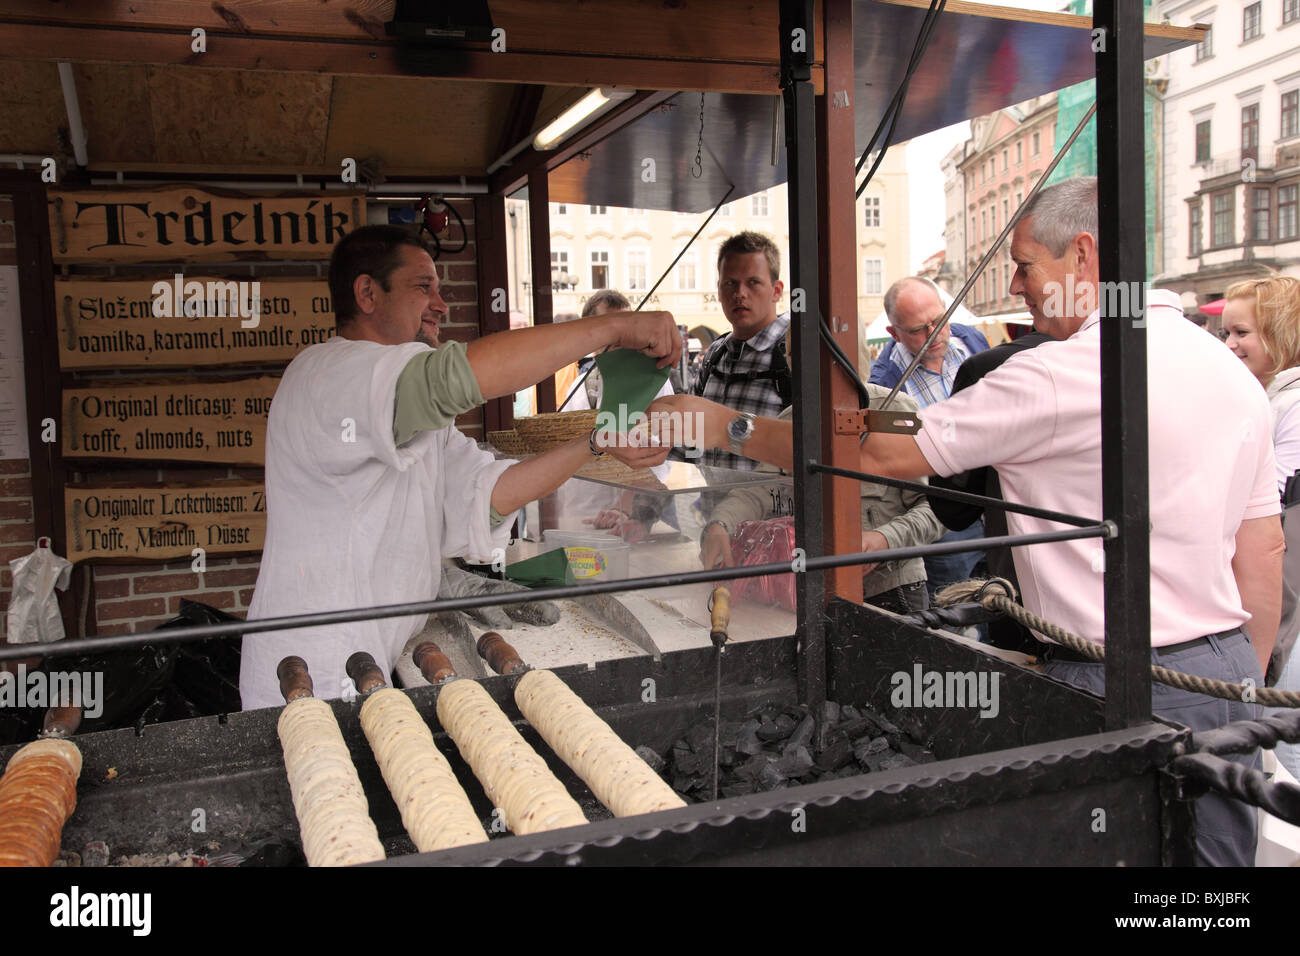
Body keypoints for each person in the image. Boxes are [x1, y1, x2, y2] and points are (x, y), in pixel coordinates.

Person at [650, 178, 1282, 867]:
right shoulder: (1227, 371)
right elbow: (1264, 553)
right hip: (1225, 673)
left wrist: (722, 424)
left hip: (1113, 681)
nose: (1014, 285)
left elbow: (879, 447)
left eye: (1024, 264)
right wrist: (1233, 684)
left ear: (1083, 255)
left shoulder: (1059, 374)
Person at [239, 225, 677, 710]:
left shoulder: (411, 413)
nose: (440, 304)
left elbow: (491, 494)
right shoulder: (330, 373)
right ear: (367, 293)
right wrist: (615, 329)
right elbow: (454, 378)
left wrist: (594, 443)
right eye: (423, 287)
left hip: (367, 662)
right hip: (308, 676)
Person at [700, 384, 943, 615]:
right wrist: (720, 524)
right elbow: (759, 492)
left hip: (889, 588)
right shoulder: (792, 418)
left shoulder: (895, 410)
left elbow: (936, 510)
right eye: (796, 355)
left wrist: (884, 539)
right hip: (812, 587)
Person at [928, 328, 1052, 653]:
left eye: (1024, 272)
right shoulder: (1163, 350)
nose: (1015, 286)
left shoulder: (991, 368)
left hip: (1030, 588)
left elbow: (952, 506)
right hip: (1157, 600)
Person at [869, 277, 992, 600]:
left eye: (940, 320)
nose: (934, 334)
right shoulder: (885, 386)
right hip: (947, 517)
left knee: (1005, 608)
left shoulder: (971, 341)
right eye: (918, 330)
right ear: (894, 334)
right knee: (954, 614)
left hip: (995, 501)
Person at [1222, 273, 1300, 780]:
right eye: (1227, 333)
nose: (1229, 344)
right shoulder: (1273, 397)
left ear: (1280, 331)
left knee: (1286, 740)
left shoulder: (1291, 404)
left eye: (1241, 333)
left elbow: (1267, 504)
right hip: (1280, 591)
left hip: (1288, 595)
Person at [691, 231, 791, 471]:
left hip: (772, 507)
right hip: (710, 505)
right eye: (730, 283)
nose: (740, 294)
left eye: (753, 282)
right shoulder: (715, 355)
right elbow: (692, 441)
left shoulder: (793, 353)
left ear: (776, 291)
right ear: (719, 290)